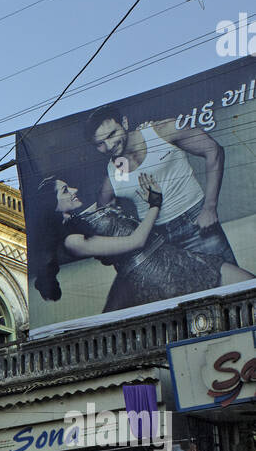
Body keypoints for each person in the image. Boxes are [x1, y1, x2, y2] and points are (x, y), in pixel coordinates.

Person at [33, 174, 251, 312]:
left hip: (170, 255)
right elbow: (137, 241)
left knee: (248, 285)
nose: (74, 191)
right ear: (52, 206)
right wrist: (154, 204)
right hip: (155, 275)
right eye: (65, 190)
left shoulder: (80, 220)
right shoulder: (72, 242)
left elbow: (107, 198)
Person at [87, 106, 241, 267]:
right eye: (100, 143)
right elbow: (103, 222)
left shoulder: (162, 131)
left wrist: (210, 207)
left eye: (112, 134)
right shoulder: (111, 177)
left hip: (197, 224)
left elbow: (214, 150)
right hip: (158, 242)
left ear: (124, 122)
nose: (109, 145)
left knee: (230, 283)